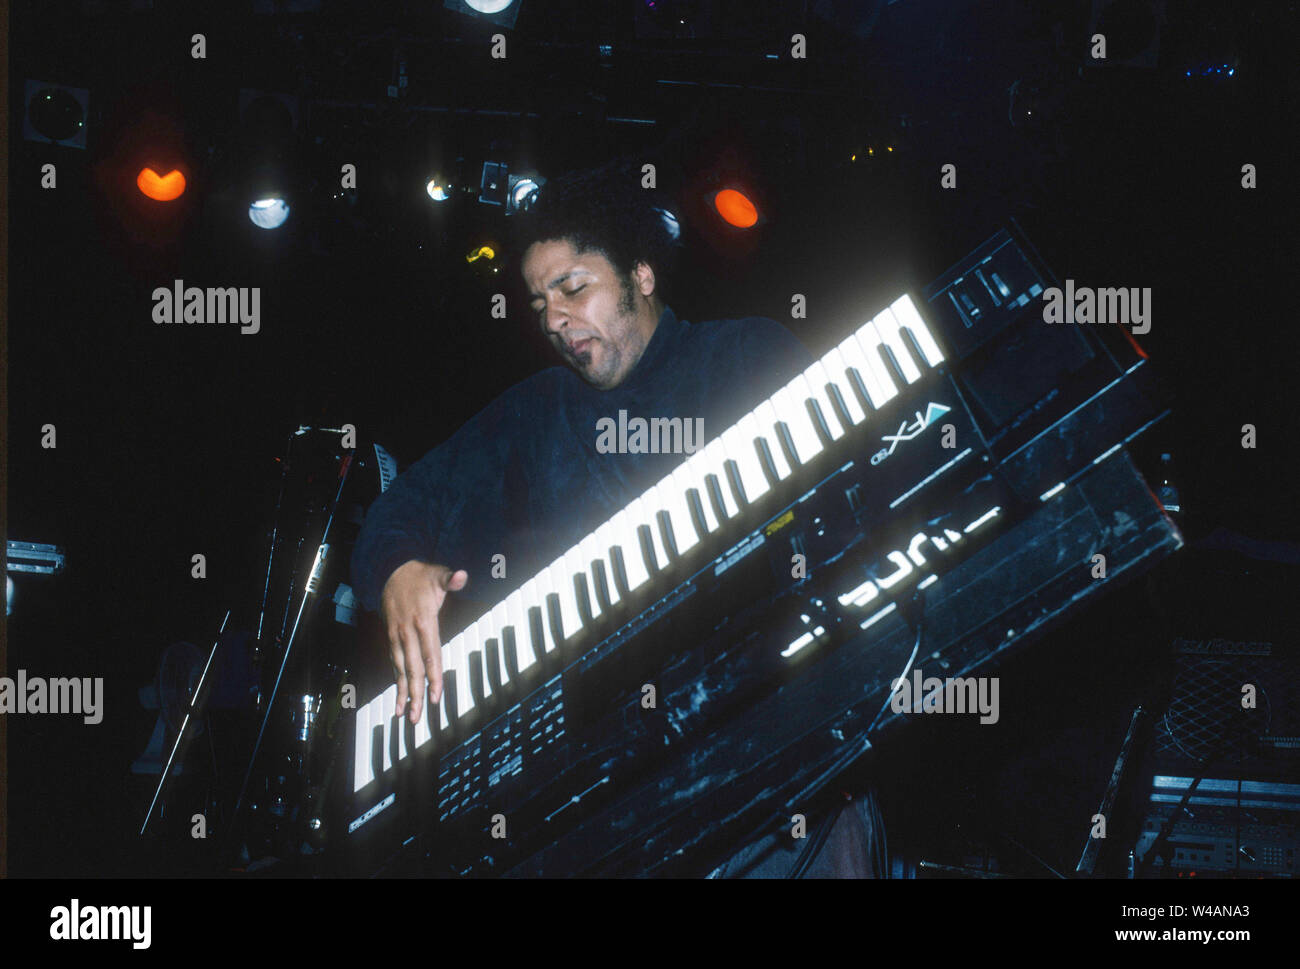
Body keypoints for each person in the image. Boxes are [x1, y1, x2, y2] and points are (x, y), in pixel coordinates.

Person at [350, 164, 880, 877]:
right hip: (628, 813)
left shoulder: (747, 356)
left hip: (790, 769)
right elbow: (404, 503)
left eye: (574, 287)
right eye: (540, 303)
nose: (556, 319)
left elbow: (860, 509)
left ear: (642, 275)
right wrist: (399, 568)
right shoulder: (535, 413)